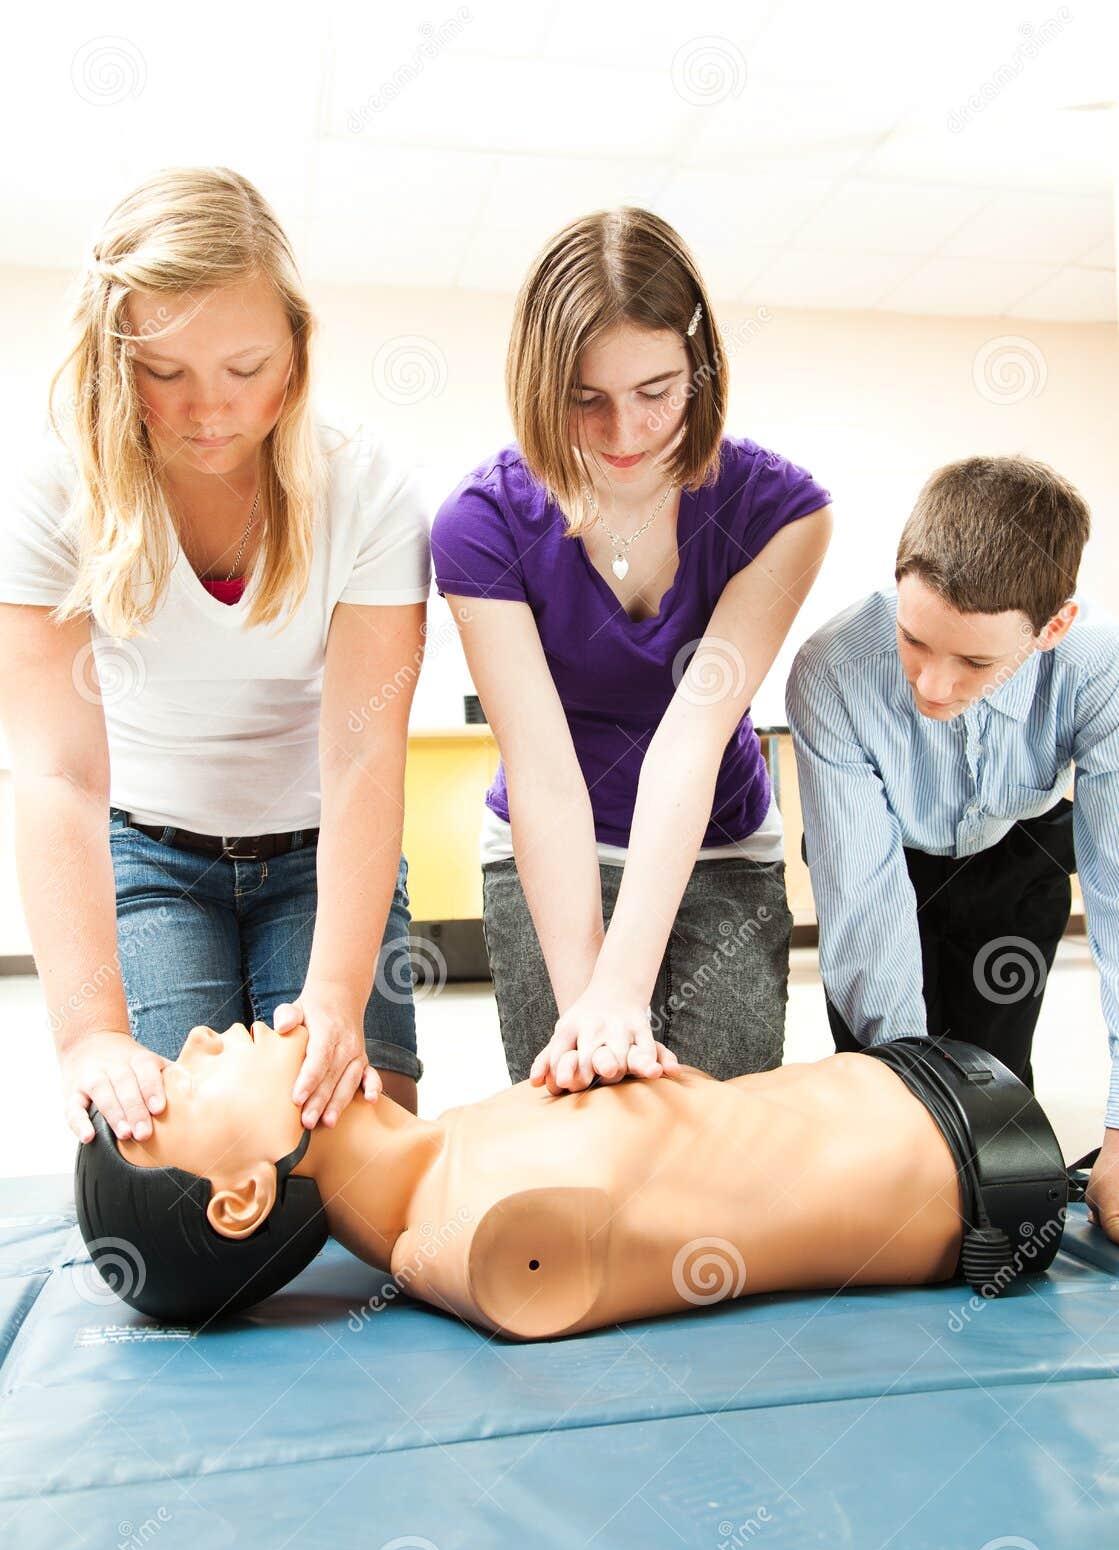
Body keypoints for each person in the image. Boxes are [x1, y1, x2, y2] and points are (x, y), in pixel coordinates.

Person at [0, 166, 431, 1153]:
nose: (209, 411)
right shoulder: (50, 491)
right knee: (172, 1159)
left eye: (245, 368)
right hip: (150, 855)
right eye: (165, 373)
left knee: (356, 1161)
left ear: (296, 350)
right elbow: (58, 775)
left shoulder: (366, 489)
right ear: (114, 361)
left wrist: (336, 995)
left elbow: (363, 756)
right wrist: (89, 1033)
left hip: (320, 851)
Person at [431, 207, 833, 1095]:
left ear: (701, 366)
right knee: (580, 1118)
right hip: (549, 844)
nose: (625, 433)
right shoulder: (480, 523)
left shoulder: (782, 512)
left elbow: (691, 738)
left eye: (656, 390)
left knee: (713, 1128)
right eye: (586, 399)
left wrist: (624, 988)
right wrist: (593, 1009)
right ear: (540, 384)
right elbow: (542, 770)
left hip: (718, 844)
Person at [75, 1016, 1096, 1342]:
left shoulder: (444, 1153)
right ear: (243, 1196)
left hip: (922, 1078)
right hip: (979, 1173)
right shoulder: (473, 1236)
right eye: (183, 1083)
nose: (199, 1037)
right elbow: (504, 1271)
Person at [786, 454, 1119, 1236]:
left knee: (995, 1091)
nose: (933, 687)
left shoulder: (1096, 671)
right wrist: (913, 1125)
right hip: (885, 853)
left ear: (1052, 628)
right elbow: (865, 900)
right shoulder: (832, 669)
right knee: (883, 1101)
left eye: (974, 661)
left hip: (1017, 854)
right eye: (913, 641)